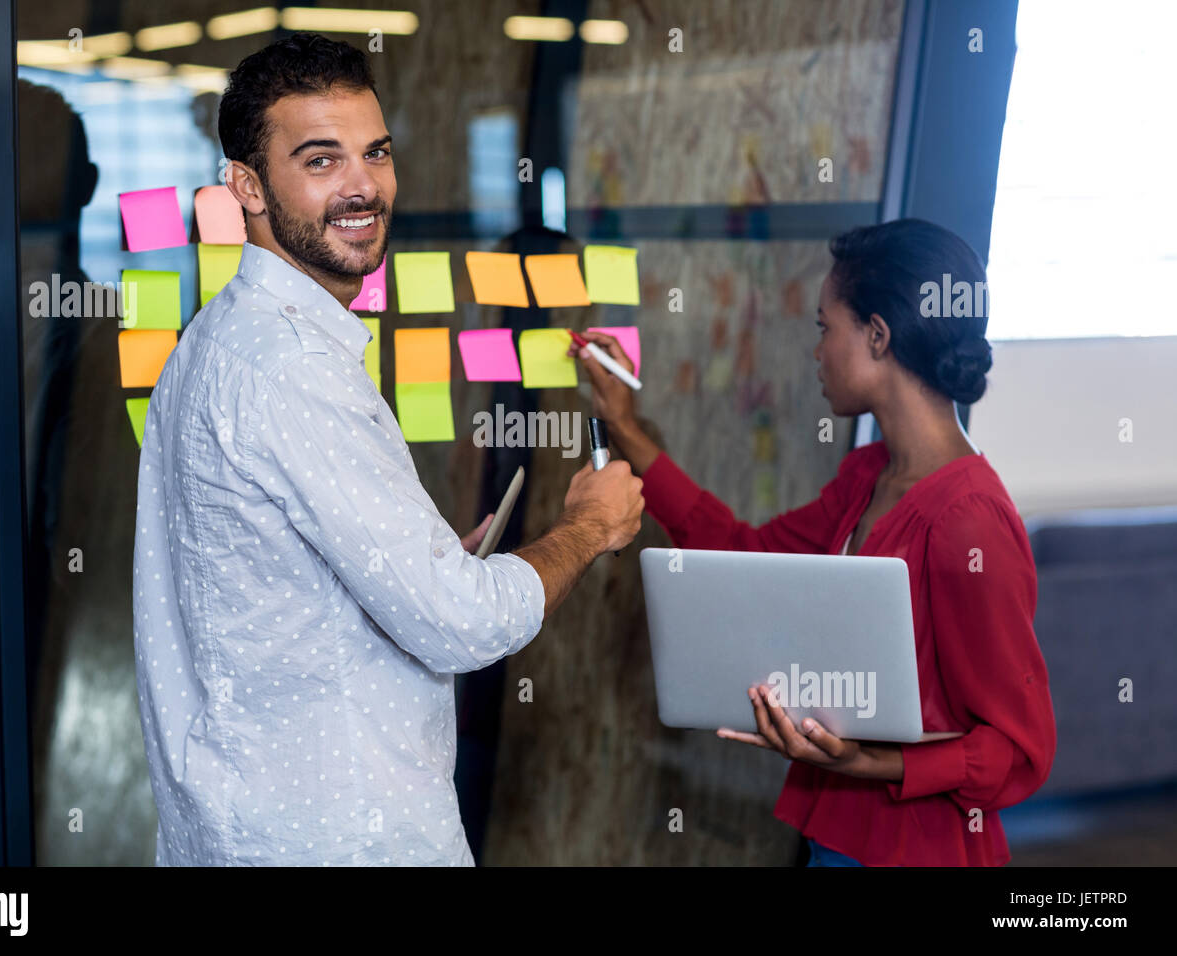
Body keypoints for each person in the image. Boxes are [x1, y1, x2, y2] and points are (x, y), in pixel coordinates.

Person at [131, 32, 643, 866]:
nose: (362, 186)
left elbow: (273, 585)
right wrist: (588, 526)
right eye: (321, 161)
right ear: (247, 187)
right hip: (335, 838)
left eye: (375, 152)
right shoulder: (290, 368)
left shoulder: (219, 339)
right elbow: (462, 622)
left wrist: (426, 559)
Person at [569, 218, 1056, 867]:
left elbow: (1019, 750)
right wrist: (624, 429)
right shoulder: (867, 477)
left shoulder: (970, 523)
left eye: (826, 328)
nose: (817, 350)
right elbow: (742, 551)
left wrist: (870, 761)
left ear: (877, 336)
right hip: (834, 840)